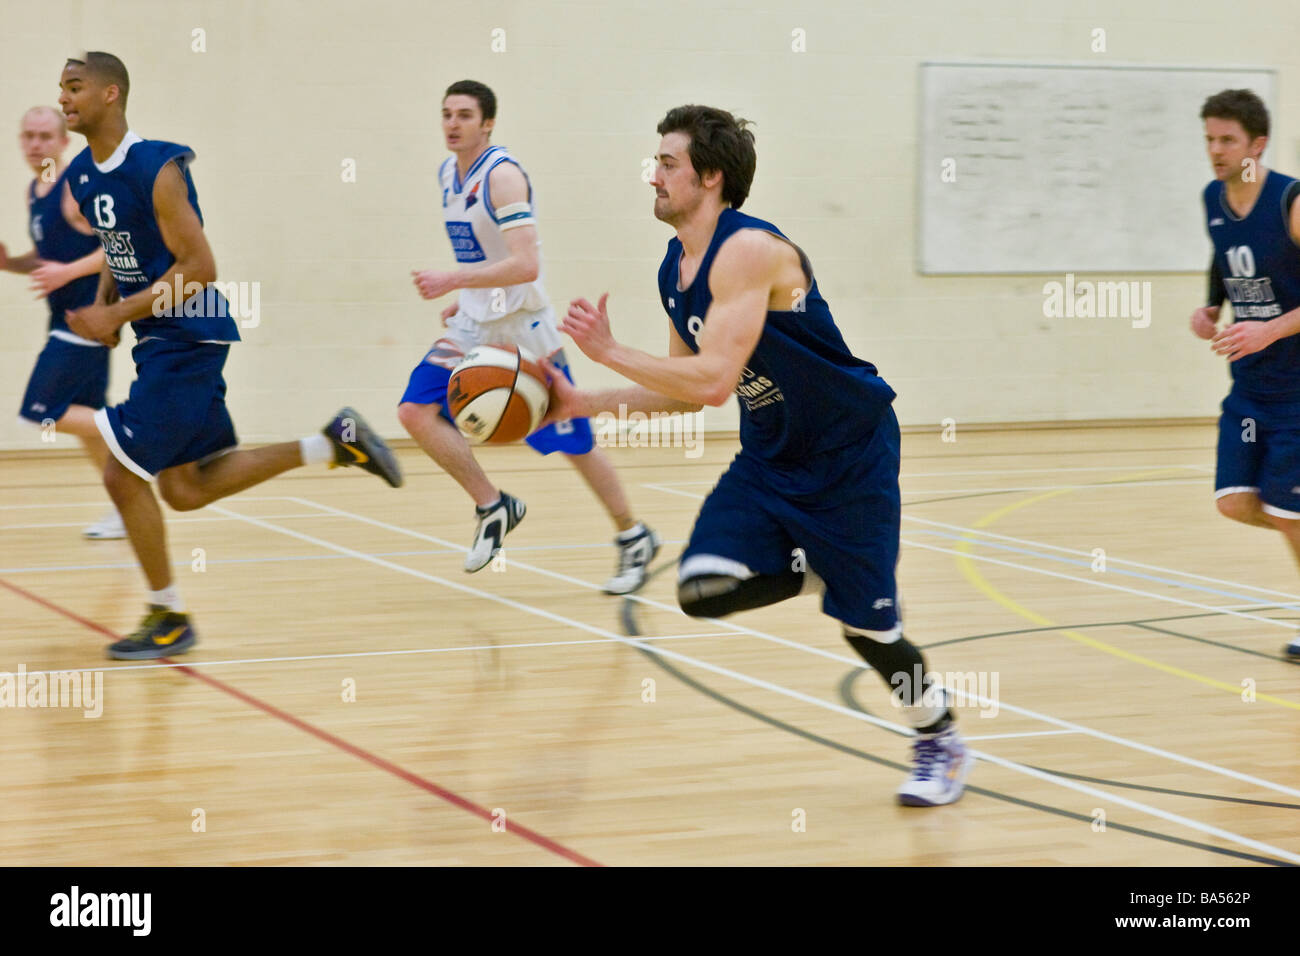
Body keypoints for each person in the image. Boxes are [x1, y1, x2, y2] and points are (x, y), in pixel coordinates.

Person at [546, 105, 974, 806]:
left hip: (848, 453)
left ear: (711, 177)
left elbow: (713, 383)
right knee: (700, 589)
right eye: (654, 161)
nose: (652, 175)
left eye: (668, 163)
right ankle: (811, 567)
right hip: (772, 457)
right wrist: (584, 400)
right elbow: (684, 392)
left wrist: (610, 350)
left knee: (867, 627)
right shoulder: (674, 265)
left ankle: (941, 739)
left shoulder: (749, 250)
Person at [58, 51, 402, 660]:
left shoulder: (156, 166)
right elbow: (123, 247)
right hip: (159, 340)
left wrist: (114, 314)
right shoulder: (84, 173)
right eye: (62, 88)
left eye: (75, 86)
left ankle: (168, 618)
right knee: (185, 489)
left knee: (119, 472)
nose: (64, 98)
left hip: (187, 336)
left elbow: (200, 267)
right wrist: (108, 304)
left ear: (112, 94)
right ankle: (334, 442)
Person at [400, 80, 659, 593]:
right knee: (414, 411)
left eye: (465, 115)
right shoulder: (447, 175)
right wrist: (469, 298)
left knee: (573, 438)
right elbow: (484, 256)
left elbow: (525, 263)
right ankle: (493, 504)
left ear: (488, 122)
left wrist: (454, 281)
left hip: (524, 330)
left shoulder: (503, 176)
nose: (453, 124)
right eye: (447, 114)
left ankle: (633, 535)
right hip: (476, 323)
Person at [1191, 89, 1300, 660]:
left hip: (1297, 388)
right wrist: (1211, 305)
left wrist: (1270, 329)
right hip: (1251, 387)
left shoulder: (1291, 202)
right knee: (1236, 501)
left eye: (1227, 140)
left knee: (1288, 510)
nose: (1215, 150)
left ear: (1258, 143)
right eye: (1209, 138)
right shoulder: (1213, 196)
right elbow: (1224, 251)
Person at [1, 105, 123, 539]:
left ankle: (138, 436)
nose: (36, 144)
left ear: (63, 141)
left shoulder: (77, 187)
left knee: (41, 412)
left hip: (85, 321)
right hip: (64, 319)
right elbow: (48, 258)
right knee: (87, 426)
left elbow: (116, 248)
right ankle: (126, 508)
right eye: (28, 136)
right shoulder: (36, 190)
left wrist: (68, 273)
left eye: (45, 136)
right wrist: (11, 263)